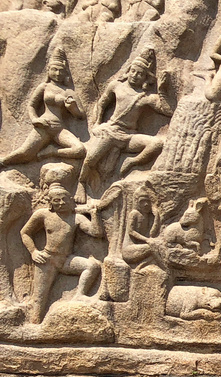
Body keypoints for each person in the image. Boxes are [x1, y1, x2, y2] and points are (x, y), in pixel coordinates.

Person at [79, 48, 173, 191]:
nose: (135, 75)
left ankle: (131, 162)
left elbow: (168, 111)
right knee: (90, 159)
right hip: (111, 132)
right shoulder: (116, 86)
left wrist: (161, 90)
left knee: (157, 144)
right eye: (133, 71)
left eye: (140, 74)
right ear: (128, 71)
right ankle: (81, 183)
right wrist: (97, 122)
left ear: (146, 78)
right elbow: (102, 103)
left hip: (129, 136)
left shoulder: (145, 97)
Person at [20, 184, 103, 323]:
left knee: (92, 267)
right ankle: (34, 325)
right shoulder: (43, 214)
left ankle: (80, 294)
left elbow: (96, 232)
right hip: (46, 259)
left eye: (64, 199)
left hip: (65, 260)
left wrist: (94, 215)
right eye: (56, 200)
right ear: (50, 203)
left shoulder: (76, 218)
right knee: (39, 300)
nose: (61, 203)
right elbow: (25, 232)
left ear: (71, 200)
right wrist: (34, 251)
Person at [0, 48, 85, 166]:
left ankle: (51, 152)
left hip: (59, 129)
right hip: (44, 126)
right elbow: (31, 105)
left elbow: (80, 115)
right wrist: (35, 119)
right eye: (54, 70)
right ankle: (3, 162)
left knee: (79, 150)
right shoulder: (44, 87)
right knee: (25, 153)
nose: (57, 74)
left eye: (61, 71)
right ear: (48, 70)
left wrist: (72, 107)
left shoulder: (68, 92)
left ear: (65, 73)